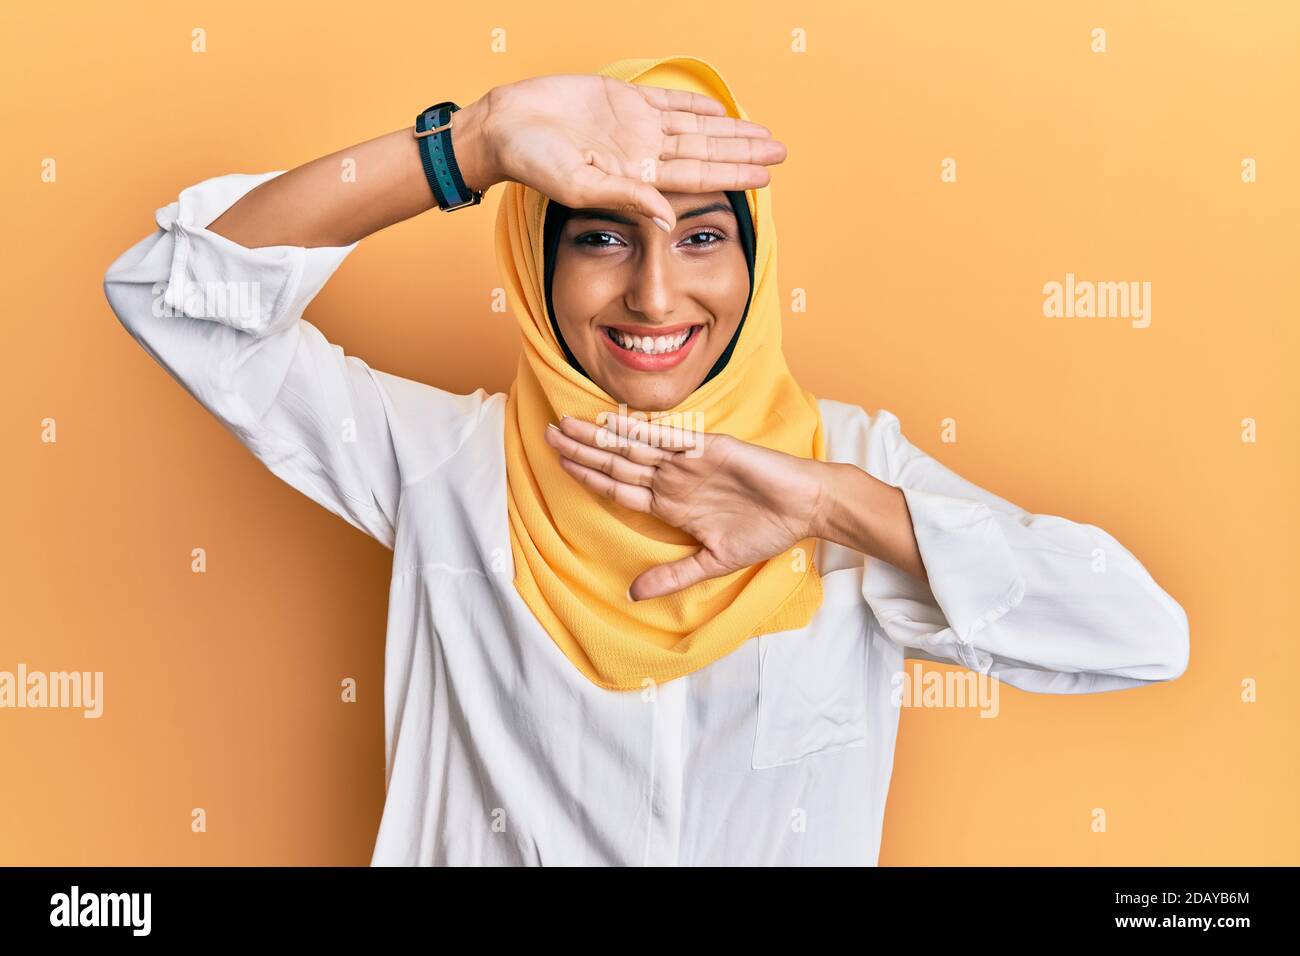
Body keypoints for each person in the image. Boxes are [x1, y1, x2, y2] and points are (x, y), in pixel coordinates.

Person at [103, 54, 1189, 866]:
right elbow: (171, 293)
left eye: (703, 236)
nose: (656, 297)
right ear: (538, 266)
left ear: (753, 265)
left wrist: (833, 507)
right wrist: (466, 146)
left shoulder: (845, 466)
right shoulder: (443, 467)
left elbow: (1142, 634)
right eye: (603, 235)